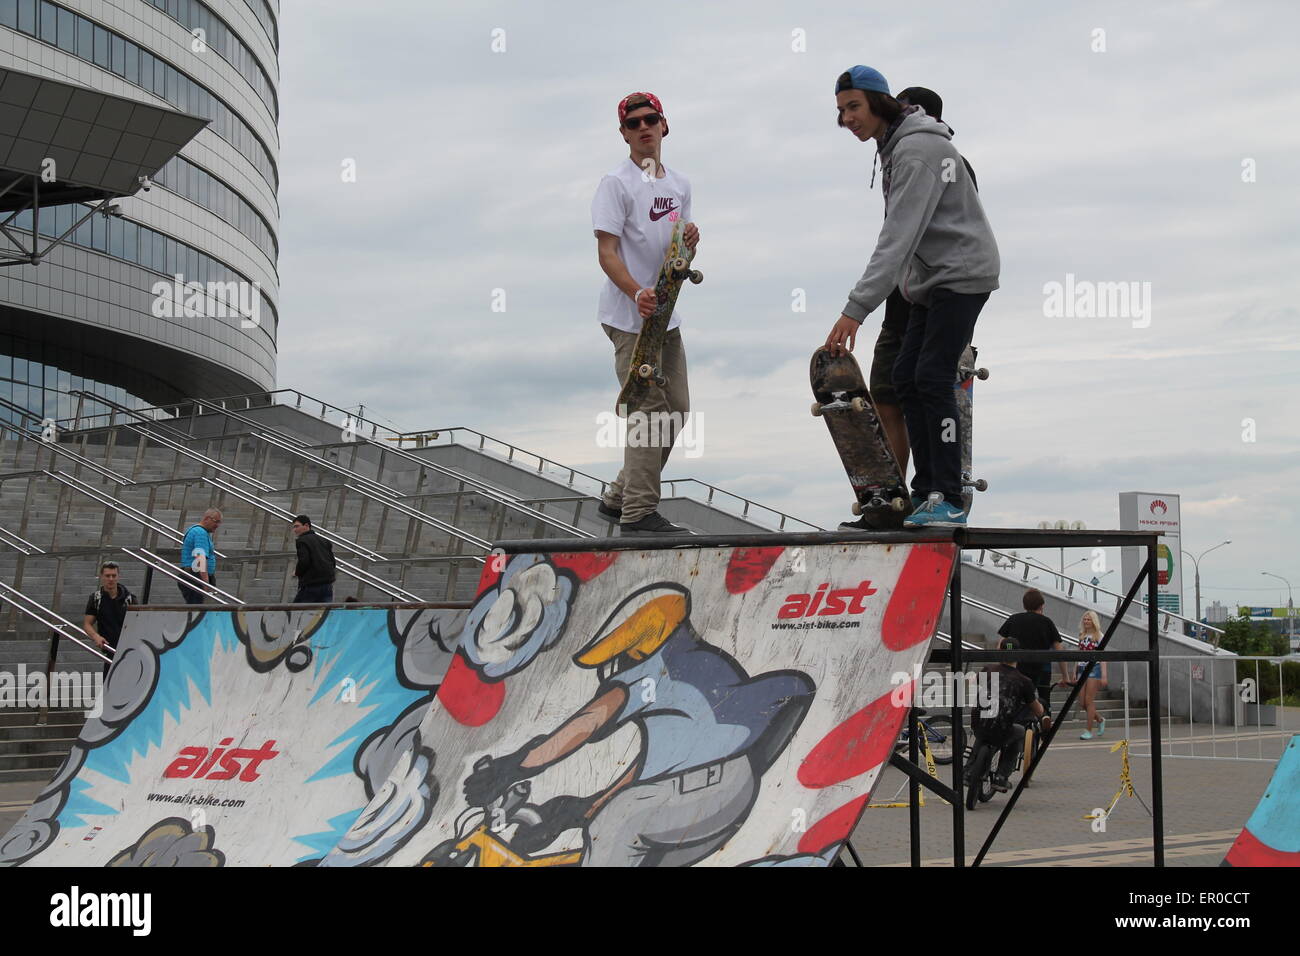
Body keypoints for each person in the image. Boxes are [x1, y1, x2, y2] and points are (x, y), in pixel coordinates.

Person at [826, 65, 999, 529]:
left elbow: (897, 238)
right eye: (841, 111)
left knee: (932, 375)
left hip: (962, 276)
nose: (847, 119)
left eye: (854, 107)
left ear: (880, 103)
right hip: (930, 281)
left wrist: (854, 311)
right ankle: (928, 492)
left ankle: (949, 495)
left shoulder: (918, 150)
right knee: (905, 376)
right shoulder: (896, 147)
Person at [591, 91, 700, 536]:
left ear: (664, 125)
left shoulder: (679, 185)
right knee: (648, 409)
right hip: (627, 316)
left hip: (665, 317)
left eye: (650, 119)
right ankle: (638, 512)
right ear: (624, 134)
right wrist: (636, 292)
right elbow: (607, 250)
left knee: (677, 410)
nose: (643, 128)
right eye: (633, 123)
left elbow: (676, 251)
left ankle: (620, 496)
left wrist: (690, 242)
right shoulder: (615, 184)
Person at [971, 638, 1044, 791]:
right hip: (1002, 726)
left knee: (982, 731)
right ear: (1018, 656)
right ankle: (1001, 776)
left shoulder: (988, 669)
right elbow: (1037, 710)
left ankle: (968, 771)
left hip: (978, 721)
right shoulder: (1024, 681)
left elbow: (975, 683)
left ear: (1000, 652)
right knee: (1019, 732)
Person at [997, 588, 1070, 733]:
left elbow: (1000, 645)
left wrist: (1001, 666)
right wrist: (1065, 676)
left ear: (1024, 605)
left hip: (1017, 670)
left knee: (1016, 698)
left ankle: (1013, 724)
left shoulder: (1014, 619)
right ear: (1041, 605)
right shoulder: (1047, 622)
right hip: (1041, 670)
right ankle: (1044, 718)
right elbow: (1059, 650)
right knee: (1043, 698)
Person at [82, 561, 134, 675]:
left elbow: (138, 622)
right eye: (107, 576)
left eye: (114, 576)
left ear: (118, 576)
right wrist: (96, 637)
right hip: (109, 648)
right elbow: (87, 623)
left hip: (128, 648)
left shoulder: (129, 598)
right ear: (102, 577)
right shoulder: (96, 598)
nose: (111, 579)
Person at [1075, 610, 1108, 739]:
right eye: (1085, 619)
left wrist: (1104, 675)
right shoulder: (1082, 635)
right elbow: (1079, 653)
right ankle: (1099, 719)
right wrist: (1075, 670)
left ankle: (1088, 730)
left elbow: (1103, 656)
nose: (1086, 621)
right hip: (1082, 668)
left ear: (1094, 621)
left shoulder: (1099, 635)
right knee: (1082, 702)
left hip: (1095, 668)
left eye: (1089, 619)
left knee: (1089, 700)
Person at [178, 508, 221, 604]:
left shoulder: (196, 531)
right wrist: (205, 584)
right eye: (216, 522)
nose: (217, 525)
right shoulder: (200, 533)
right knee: (199, 611)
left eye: (219, 522)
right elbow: (200, 558)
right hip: (196, 577)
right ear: (207, 518)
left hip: (194, 575)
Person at [291, 515, 336, 603]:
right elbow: (332, 561)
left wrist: (297, 572)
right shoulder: (324, 540)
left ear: (306, 526)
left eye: (297, 526)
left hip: (311, 584)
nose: (295, 530)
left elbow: (304, 561)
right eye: (294, 527)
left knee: (297, 612)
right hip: (327, 584)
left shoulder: (302, 541)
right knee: (323, 612)